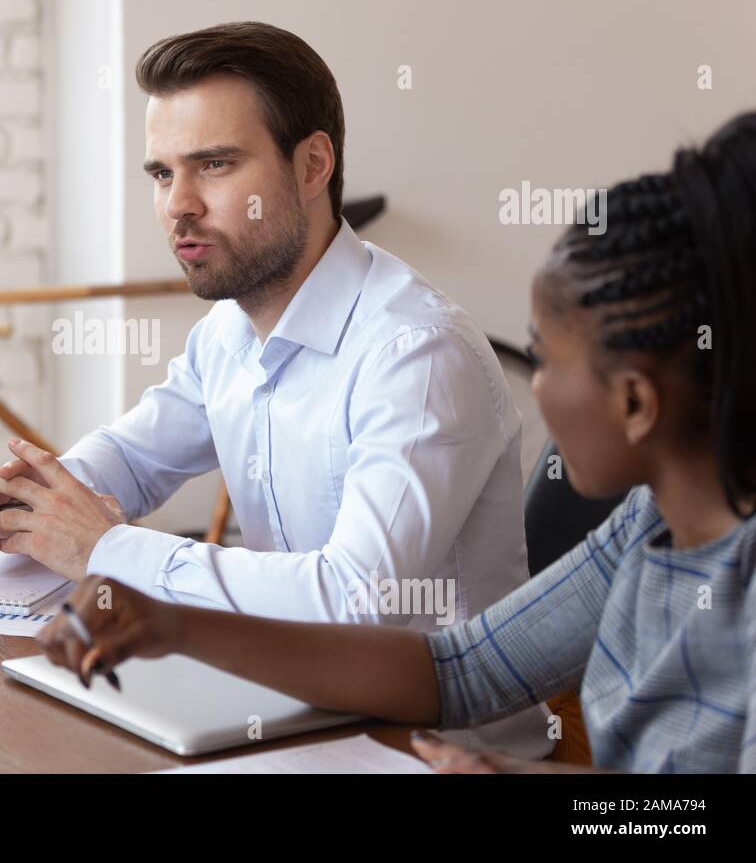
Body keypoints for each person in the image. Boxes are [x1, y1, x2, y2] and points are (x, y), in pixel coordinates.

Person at [37, 112, 756, 773]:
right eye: (163, 173)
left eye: (547, 358)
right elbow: (461, 671)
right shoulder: (646, 526)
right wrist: (167, 622)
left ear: (634, 403)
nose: (531, 387)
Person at [0, 22, 546, 755]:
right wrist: (44, 494)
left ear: (312, 166)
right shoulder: (228, 333)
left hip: (429, 754)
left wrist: (107, 549)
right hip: (284, 718)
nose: (178, 204)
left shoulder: (416, 353)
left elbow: (355, 604)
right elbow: (136, 456)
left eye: (213, 165)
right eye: (160, 173)